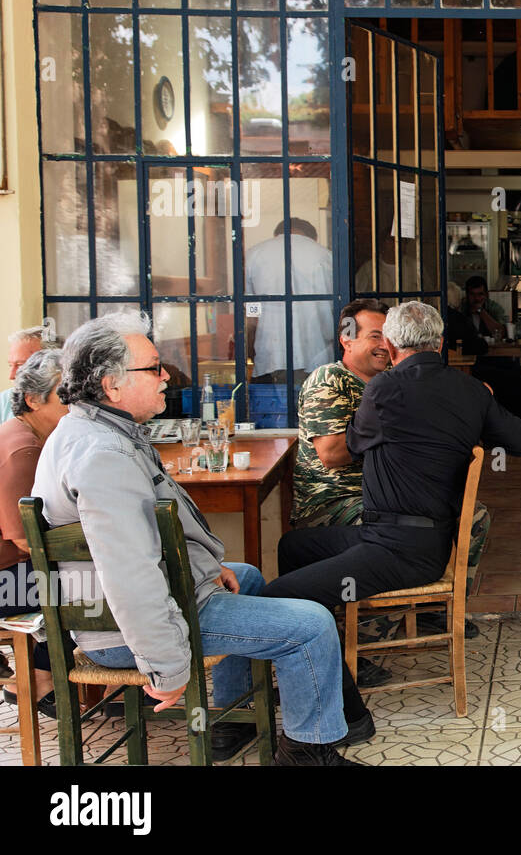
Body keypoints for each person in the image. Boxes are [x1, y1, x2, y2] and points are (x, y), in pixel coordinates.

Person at [31, 311, 360, 764]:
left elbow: (147, 544)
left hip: (118, 609)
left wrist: (207, 567)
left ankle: (227, 718)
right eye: (153, 368)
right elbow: (130, 572)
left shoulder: (91, 429)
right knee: (312, 625)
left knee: (244, 576)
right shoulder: (104, 454)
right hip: (117, 631)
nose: (166, 376)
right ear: (112, 385)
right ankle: (307, 754)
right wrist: (166, 667)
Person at [260, 302, 521, 726]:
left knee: (277, 598)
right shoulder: (469, 389)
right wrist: (479, 404)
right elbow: (519, 441)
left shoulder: (383, 389)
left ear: (389, 343)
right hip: (418, 537)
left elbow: (347, 447)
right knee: (294, 547)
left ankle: (348, 716)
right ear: (440, 343)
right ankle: (327, 654)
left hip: (397, 548)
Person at [0, 350, 67, 714]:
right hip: (4, 581)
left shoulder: (30, 437)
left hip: (12, 572)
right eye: (64, 393)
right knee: (86, 582)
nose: (75, 401)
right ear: (32, 400)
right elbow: (25, 540)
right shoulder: (23, 448)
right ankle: (37, 680)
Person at [292, 298, 390, 529]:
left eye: (388, 337)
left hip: (385, 494)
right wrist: (393, 427)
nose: (385, 345)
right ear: (347, 340)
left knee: (468, 515)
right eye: (375, 336)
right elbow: (331, 454)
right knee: (399, 525)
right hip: (333, 502)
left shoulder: (393, 379)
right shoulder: (329, 379)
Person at [445, 281, 521, 448]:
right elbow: (478, 346)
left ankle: (520, 428)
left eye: (480, 294)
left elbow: (501, 331)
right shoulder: (458, 317)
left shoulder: (486, 309)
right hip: (466, 370)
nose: (475, 299)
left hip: (464, 368)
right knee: (515, 380)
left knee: (511, 372)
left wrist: (481, 313)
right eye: (472, 295)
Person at [244, 217, 336, 385]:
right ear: (312, 237)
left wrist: (249, 352)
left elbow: (252, 313)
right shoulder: (327, 257)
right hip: (319, 356)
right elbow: (338, 308)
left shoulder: (253, 255)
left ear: (276, 235)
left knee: (272, 409)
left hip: (271, 357)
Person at [0, 327, 54, 424]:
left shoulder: (66, 403)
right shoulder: (4, 401)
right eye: (10, 365)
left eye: (20, 365)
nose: (11, 376)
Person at [460, 275, 509, 339]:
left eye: (480, 294)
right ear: (467, 295)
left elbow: (501, 333)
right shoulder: (461, 308)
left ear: (486, 295)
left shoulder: (494, 308)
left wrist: (481, 311)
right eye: (472, 294)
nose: (476, 298)